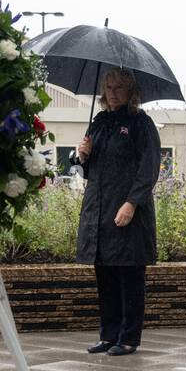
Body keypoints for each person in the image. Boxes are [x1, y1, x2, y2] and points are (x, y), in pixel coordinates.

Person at [75, 67, 161, 356]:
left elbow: (148, 169)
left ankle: (128, 337)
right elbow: (85, 172)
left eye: (119, 88)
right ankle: (108, 334)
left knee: (129, 276)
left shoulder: (140, 123)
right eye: (108, 87)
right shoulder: (99, 122)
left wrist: (132, 203)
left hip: (128, 212)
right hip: (100, 211)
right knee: (106, 276)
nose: (112, 93)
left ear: (131, 92)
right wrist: (82, 155)